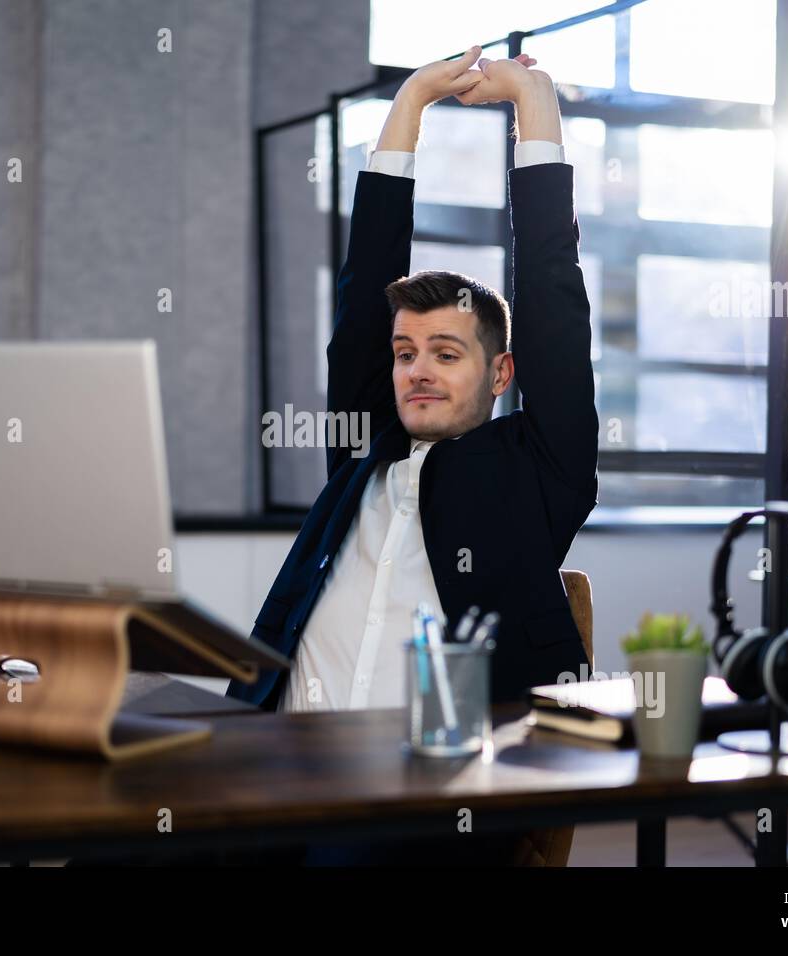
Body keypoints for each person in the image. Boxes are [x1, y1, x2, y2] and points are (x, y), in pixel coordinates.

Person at [225, 46, 599, 865]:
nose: (417, 368)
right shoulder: (362, 454)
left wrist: (534, 109)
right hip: (270, 771)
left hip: (425, 800)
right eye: (404, 353)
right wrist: (410, 107)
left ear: (501, 372)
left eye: (446, 352)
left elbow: (551, 290)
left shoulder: (535, 472)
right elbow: (364, 291)